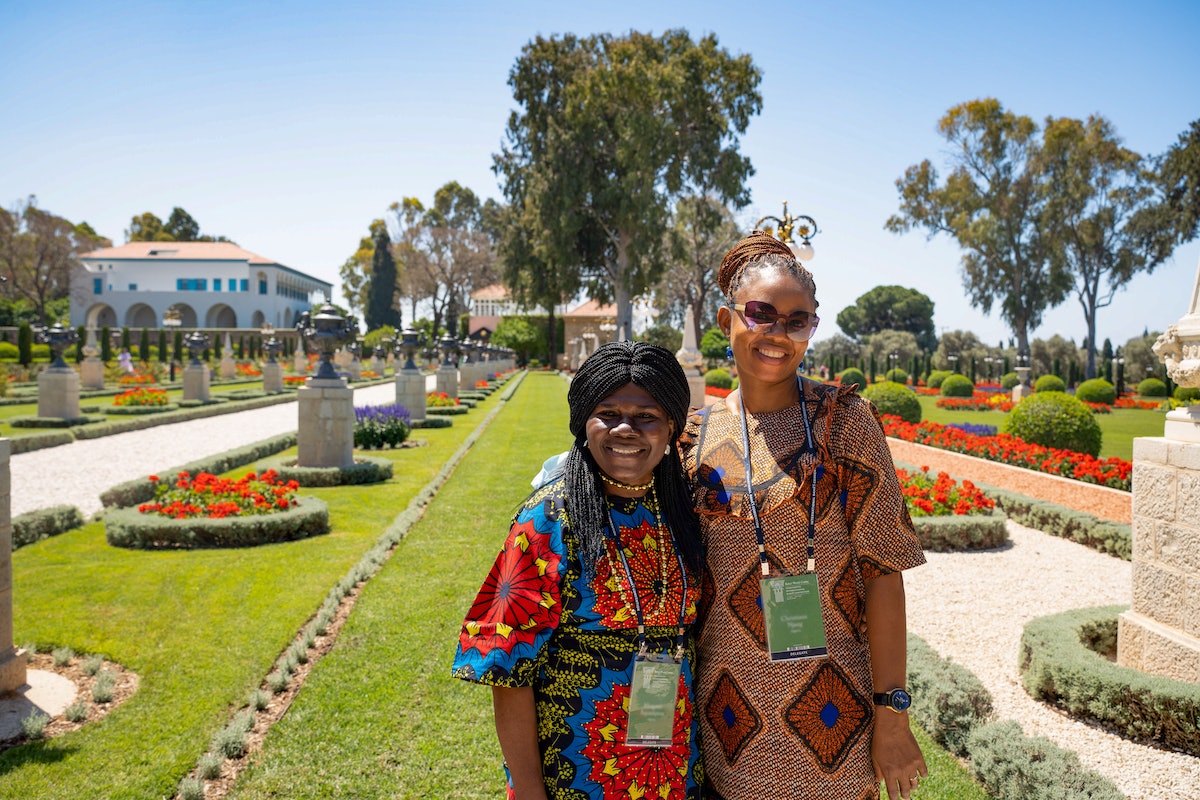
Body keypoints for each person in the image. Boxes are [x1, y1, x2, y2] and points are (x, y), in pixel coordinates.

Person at [678, 232, 928, 800]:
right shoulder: (694, 436)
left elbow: (884, 572)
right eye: (762, 314)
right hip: (727, 728)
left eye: (798, 321)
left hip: (834, 729)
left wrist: (893, 715)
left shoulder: (845, 423)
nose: (778, 334)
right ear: (727, 320)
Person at [453, 341, 707, 799]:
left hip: (674, 769)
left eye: (646, 416)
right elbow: (508, 669)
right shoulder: (549, 518)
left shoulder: (683, 511)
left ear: (671, 427)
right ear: (583, 424)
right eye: (608, 413)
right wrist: (529, 789)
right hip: (576, 771)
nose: (625, 429)